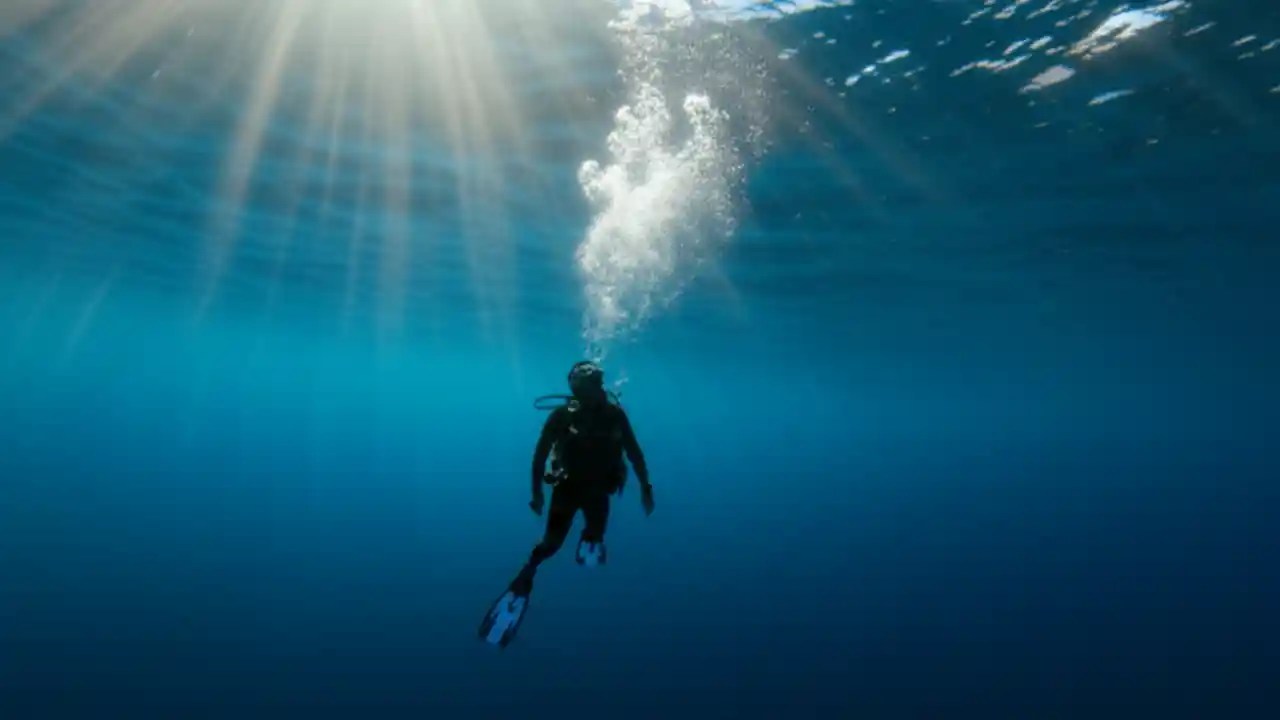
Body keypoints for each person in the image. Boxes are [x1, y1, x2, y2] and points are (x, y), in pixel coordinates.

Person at [478, 360, 653, 648]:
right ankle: (526, 576)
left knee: (594, 534)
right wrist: (537, 493)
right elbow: (539, 456)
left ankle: (587, 540)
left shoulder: (615, 415)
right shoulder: (562, 417)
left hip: (597, 491)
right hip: (568, 490)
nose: (589, 396)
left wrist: (646, 487)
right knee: (550, 544)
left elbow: (635, 453)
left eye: (593, 387)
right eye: (584, 389)